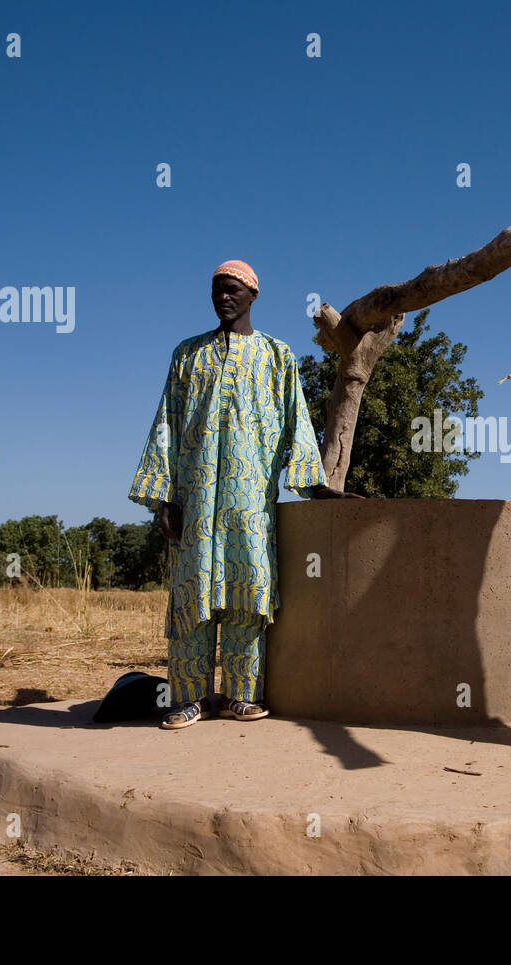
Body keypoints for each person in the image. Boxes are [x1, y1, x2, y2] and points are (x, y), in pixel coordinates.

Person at [128, 260, 360, 729]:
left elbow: (296, 421)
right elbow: (166, 425)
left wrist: (316, 486)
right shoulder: (187, 354)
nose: (224, 297)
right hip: (193, 498)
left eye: (232, 290)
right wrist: (164, 499)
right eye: (217, 290)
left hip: (250, 501)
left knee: (249, 593)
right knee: (190, 595)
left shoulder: (277, 355)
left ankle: (240, 694)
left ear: (253, 295)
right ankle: (188, 699)